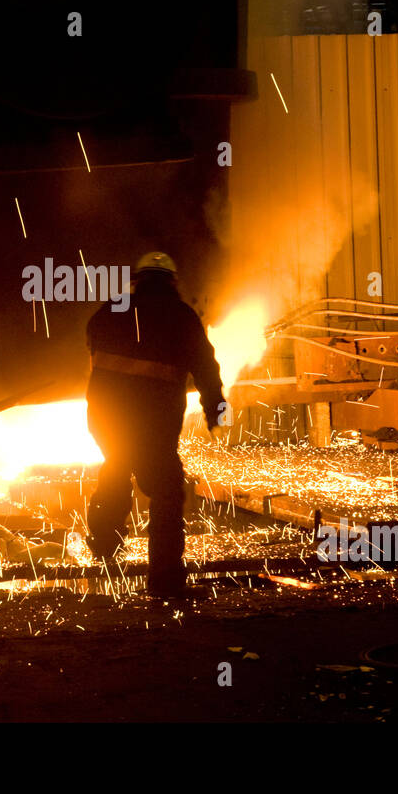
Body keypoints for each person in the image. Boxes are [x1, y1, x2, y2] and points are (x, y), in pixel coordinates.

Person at [84, 251, 225, 597]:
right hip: (153, 420)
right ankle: (165, 581)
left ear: (138, 280)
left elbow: (92, 335)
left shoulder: (114, 307)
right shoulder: (182, 316)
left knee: (116, 465)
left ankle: (104, 547)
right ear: (172, 283)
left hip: (105, 415)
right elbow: (206, 369)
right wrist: (216, 413)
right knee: (165, 488)